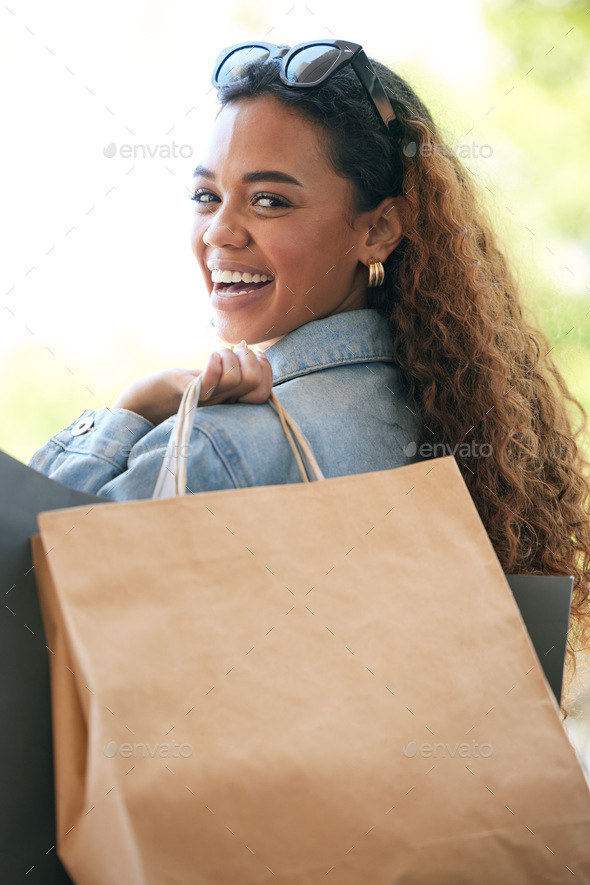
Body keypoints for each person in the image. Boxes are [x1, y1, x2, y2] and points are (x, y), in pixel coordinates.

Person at [29, 40, 590, 688]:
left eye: (269, 200)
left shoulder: (217, 448)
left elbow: (25, 602)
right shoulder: (469, 427)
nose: (219, 232)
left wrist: (127, 414)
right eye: (206, 196)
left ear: (379, 228)